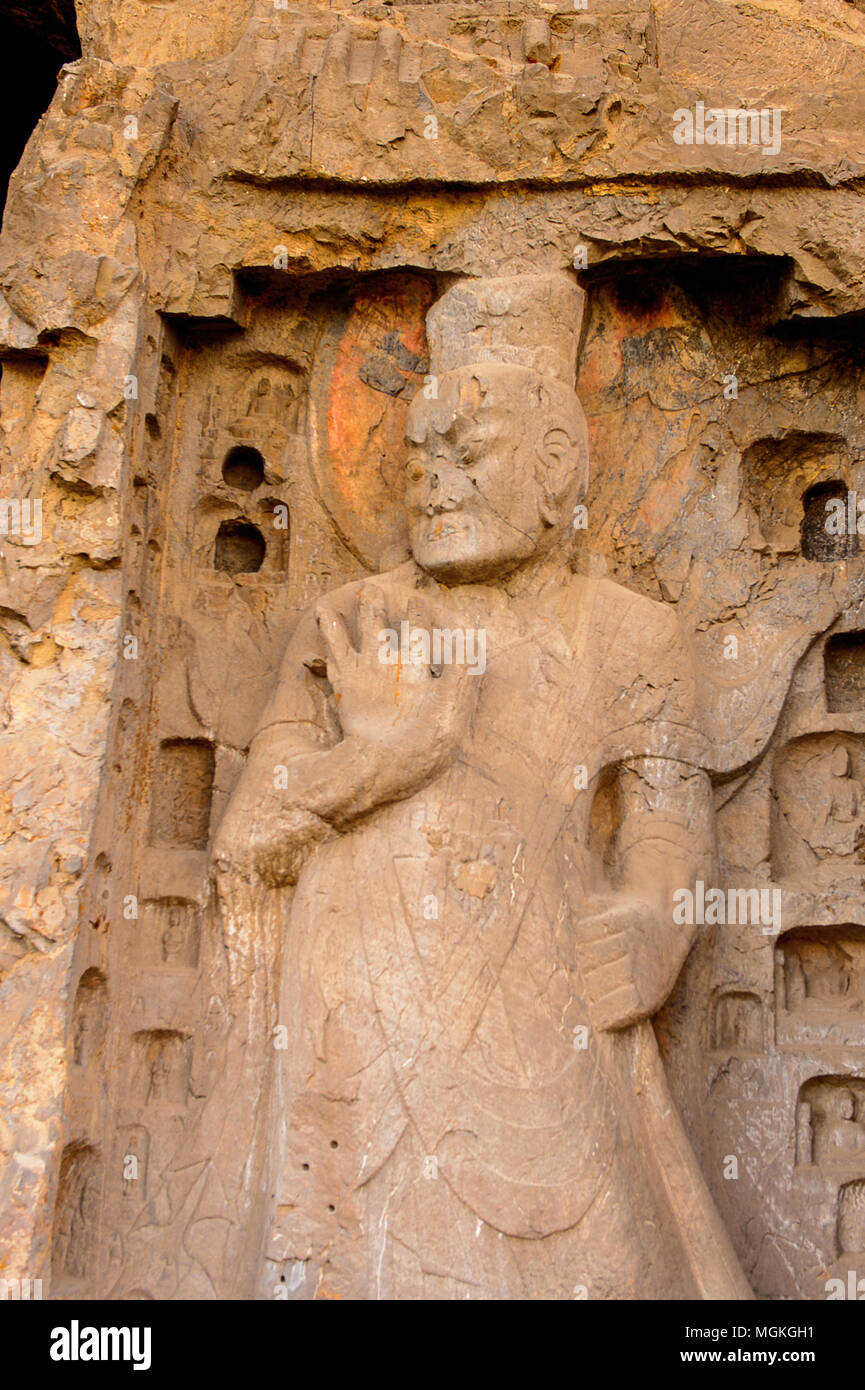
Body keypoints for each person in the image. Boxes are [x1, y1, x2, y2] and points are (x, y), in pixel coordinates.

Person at [213, 273, 744, 1299]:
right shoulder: (349, 618)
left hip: (544, 1017)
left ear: (557, 465)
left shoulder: (630, 633)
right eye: (417, 456)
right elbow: (248, 837)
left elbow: (668, 834)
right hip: (353, 1030)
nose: (433, 479)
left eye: (467, 451)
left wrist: (650, 924)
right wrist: (389, 754)